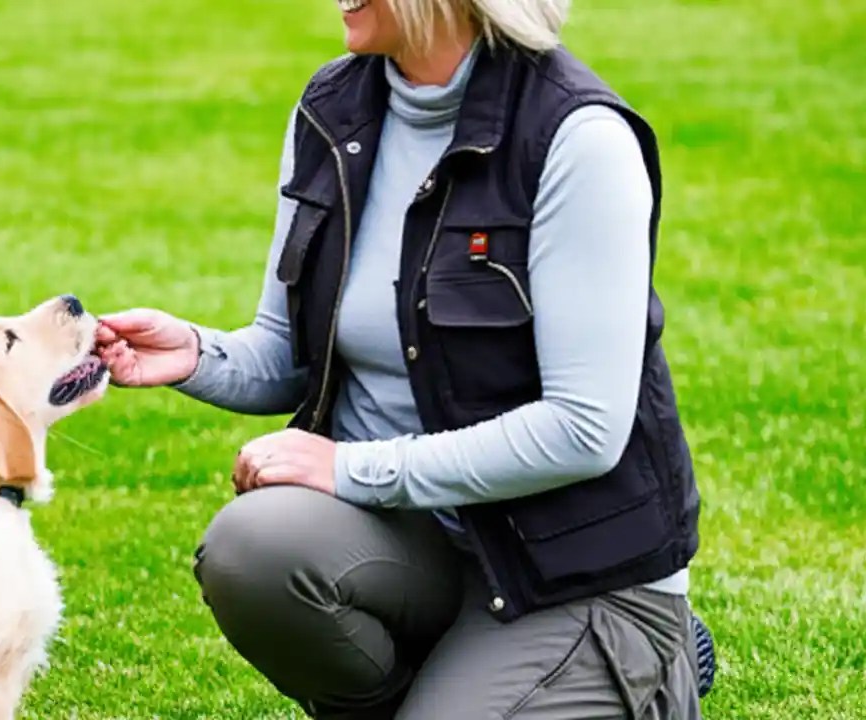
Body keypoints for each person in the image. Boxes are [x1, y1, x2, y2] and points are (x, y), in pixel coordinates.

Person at [95, 0, 713, 717]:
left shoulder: (579, 138)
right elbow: (294, 353)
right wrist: (197, 354)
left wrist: (347, 469)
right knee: (253, 549)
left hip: (569, 577)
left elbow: (583, 431)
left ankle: (643, 669)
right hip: (423, 543)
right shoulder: (335, 110)